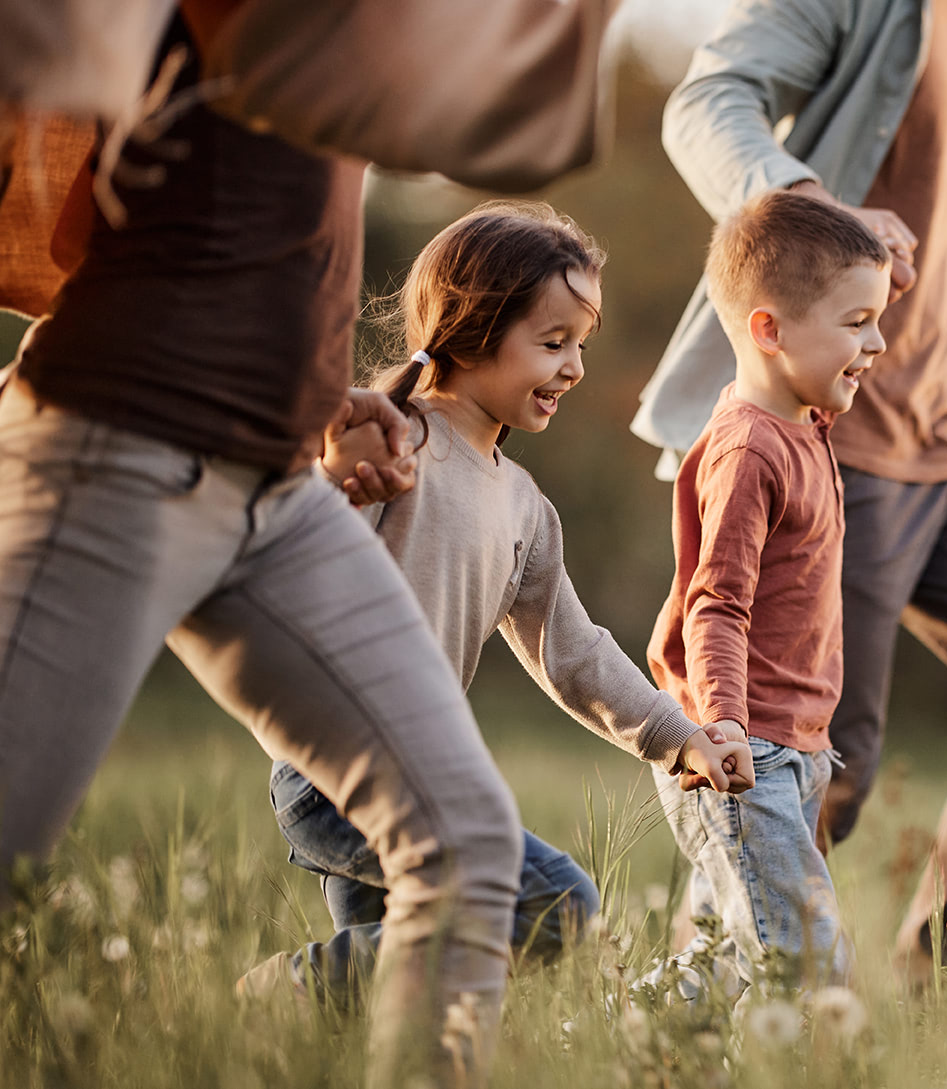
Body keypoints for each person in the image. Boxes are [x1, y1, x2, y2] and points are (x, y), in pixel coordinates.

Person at [0, 14, 559, 1086]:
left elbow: (251, 229)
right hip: (114, 449)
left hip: (273, 482)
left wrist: (308, 398)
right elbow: (483, 117)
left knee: (466, 849)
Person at [631, 0, 947, 974]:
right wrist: (813, 207)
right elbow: (705, 102)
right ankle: (705, 1021)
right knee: (814, 771)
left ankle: (933, 993)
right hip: (833, 447)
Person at [240, 202, 754, 1003]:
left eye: (580, 345)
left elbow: (574, 652)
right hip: (336, 767)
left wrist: (678, 738)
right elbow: (290, 555)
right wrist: (333, 478)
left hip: (414, 767)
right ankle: (284, 992)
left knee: (403, 1001)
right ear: (473, 329)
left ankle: (302, 1013)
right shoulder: (393, 442)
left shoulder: (524, 508)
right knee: (555, 904)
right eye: (553, 343)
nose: (574, 367)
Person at [643, 190, 891, 998]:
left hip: (795, 747)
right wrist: (724, 724)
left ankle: (613, 1033)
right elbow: (715, 603)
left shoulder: (805, 423)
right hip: (746, 750)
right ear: (769, 331)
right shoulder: (749, 449)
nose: (877, 342)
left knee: (725, 961)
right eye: (858, 322)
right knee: (806, 963)